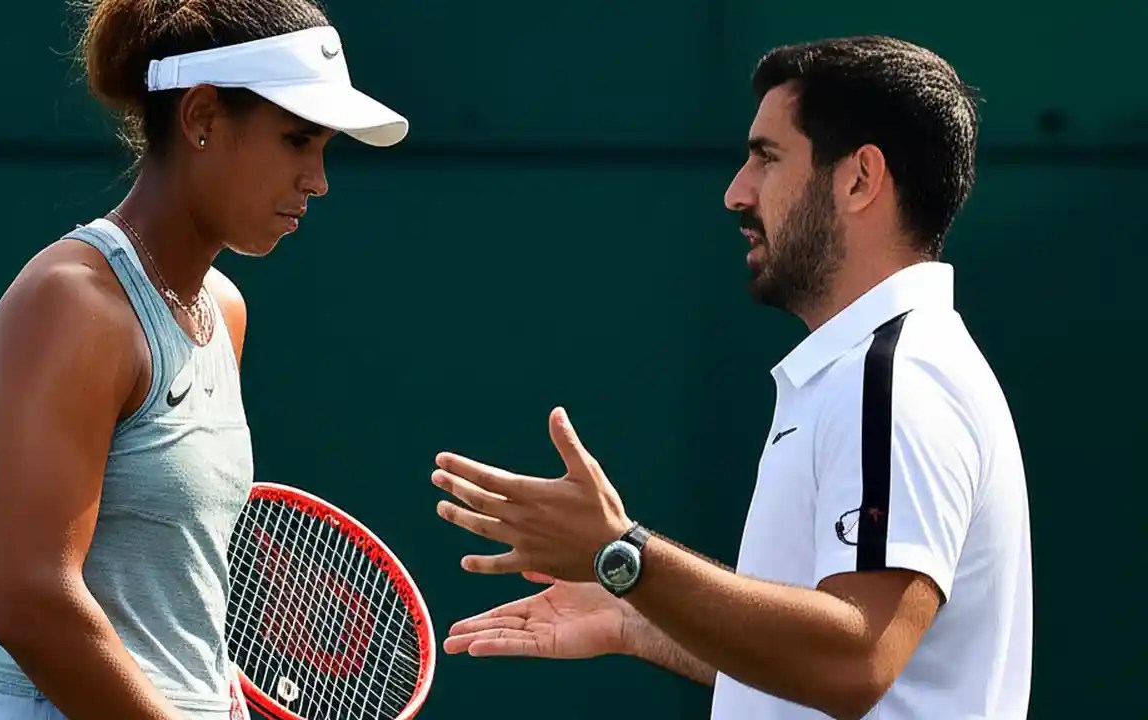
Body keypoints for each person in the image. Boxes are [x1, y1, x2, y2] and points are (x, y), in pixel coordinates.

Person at [432, 35, 1032, 719]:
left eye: (766, 158)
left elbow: (858, 658)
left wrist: (620, 555)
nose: (734, 193)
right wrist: (643, 613)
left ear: (860, 178)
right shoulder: (878, 370)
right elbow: (837, 667)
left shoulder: (893, 376)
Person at [0, 1, 407, 718]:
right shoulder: (71, 303)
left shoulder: (223, 311)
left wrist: (213, 683)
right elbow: (31, 602)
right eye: (298, 141)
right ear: (202, 118)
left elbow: (163, 594)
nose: (319, 179)